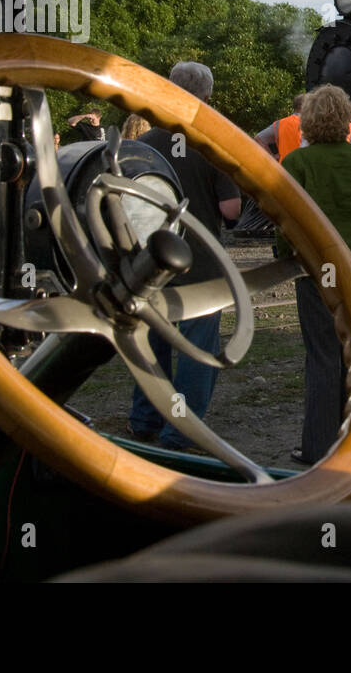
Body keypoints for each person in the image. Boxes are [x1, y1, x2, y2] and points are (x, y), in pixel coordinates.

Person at [128, 61, 241, 451]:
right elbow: (230, 210)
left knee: (151, 344)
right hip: (201, 264)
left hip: (150, 261)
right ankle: (181, 431)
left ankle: (144, 420)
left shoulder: (144, 145)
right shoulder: (212, 146)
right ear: (207, 98)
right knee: (196, 351)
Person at [276, 84, 351, 466]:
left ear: (307, 121)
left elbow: (284, 222)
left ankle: (318, 447)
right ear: (346, 119)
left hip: (318, 269)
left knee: (323, 354)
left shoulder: (296, 163)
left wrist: (284, 255)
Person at [255, 94, 305, 161]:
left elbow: (258, 138)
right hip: (304, 165)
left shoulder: (279, 124)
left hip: (283, 165)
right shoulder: (311, 123)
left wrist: (272, 157)